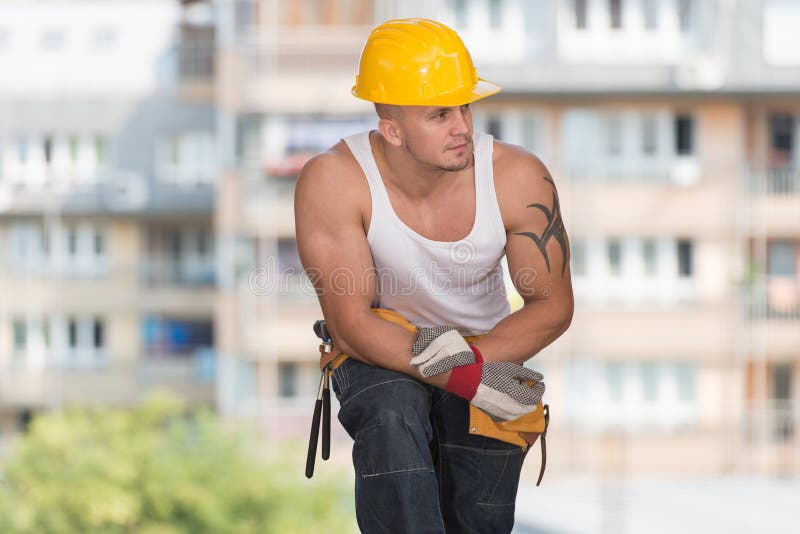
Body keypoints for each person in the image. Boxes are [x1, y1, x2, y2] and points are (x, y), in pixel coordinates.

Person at [295, 18, 574, 533]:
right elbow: (352, 324)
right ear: (392, 130)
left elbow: (551, 306)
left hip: (484, 345)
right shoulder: (334, 180)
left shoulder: (517, 176)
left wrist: (471, 367)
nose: (462, 127)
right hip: (379, 349)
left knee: (476, 518)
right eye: (440, 114)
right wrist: (464, 378)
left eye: (465, 106)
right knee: (393, 414)